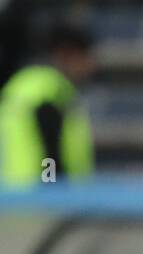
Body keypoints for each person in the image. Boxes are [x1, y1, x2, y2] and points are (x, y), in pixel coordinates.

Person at [0, 21, 94, 185]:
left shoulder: (21, 85)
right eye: (86, 58)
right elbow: (50, 153)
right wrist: (50, 189)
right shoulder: (52, 91)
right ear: (67, 54)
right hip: (39, 201)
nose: (91, 66)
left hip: (11, 195)